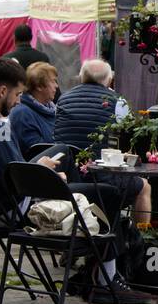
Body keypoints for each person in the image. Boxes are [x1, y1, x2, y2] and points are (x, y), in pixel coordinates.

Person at [0, 59, 145, 304]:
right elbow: (16, 179)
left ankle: (86, 238)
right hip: (15, 208)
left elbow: (8, 170)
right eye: (17, 94)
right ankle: (106, 278)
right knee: (107, 193)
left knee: (63, 150)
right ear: (2, 91)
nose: (18, 101)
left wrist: (45, 173)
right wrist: (46, 176)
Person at [53, 59, 151, 226]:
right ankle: (141, 238)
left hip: (68, 177)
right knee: (144, 186)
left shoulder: (63, 99)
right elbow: (127, 138)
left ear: (81, 77)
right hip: (102, 179)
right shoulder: (117, 101)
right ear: (109, 80)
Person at [7, 61, 58, 157]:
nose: (56, 85)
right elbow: (36, 153)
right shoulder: (22, 114)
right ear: (39, 86)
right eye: (53, 81)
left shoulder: (52, 110)